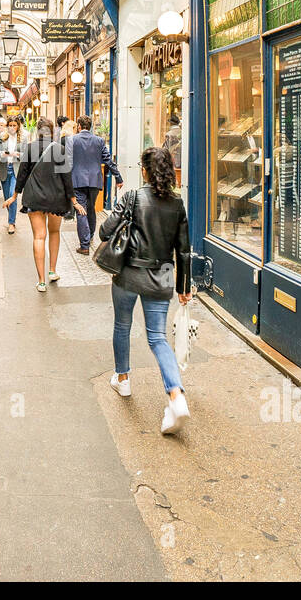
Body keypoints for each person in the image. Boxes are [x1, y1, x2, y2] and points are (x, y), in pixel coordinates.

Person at [99, 146, 193, 435]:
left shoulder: (133, 197)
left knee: (122, 326)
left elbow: (104, 232)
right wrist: (184, 287)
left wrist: (121, 210)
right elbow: (184, 251)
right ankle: (176, 396)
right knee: (157, 338)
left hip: (128, 274)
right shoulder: (177, 205)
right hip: (161, 276)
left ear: (145, 171)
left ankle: (123, 379)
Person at [6, 117, 84, 292]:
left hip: (34, 198)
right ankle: (52, 271)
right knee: (54, 232)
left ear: (38, 132)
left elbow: (22, 175)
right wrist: (74, 201)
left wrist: (14, 195)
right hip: (56, 198)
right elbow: (66, 177)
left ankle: (41, 281)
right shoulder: (59, 149)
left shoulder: (30, 149)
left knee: (38, 237)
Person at [66, 114, 123, 254]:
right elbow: (108, 160)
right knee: (90, 208)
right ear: (90, 126)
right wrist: (118, 177)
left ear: (79, 126)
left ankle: (84, 245)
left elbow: (66, 162)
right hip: (94, 180)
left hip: (77, 180)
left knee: (81, 210)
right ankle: (90, 236)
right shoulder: (99, 140)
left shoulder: (72, 140)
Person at [0, 116, 23, 234]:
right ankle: (11, 217)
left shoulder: (23, 138)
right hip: (5, 168)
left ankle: (11, 222)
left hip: (16, 169)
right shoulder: (3, 137)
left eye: (14, 125)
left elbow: (26, 154)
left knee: (12, 195)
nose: (12, 128)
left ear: (18, 126)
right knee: (7, 198)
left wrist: (17, 154)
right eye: (10, 125)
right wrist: (6, 154)